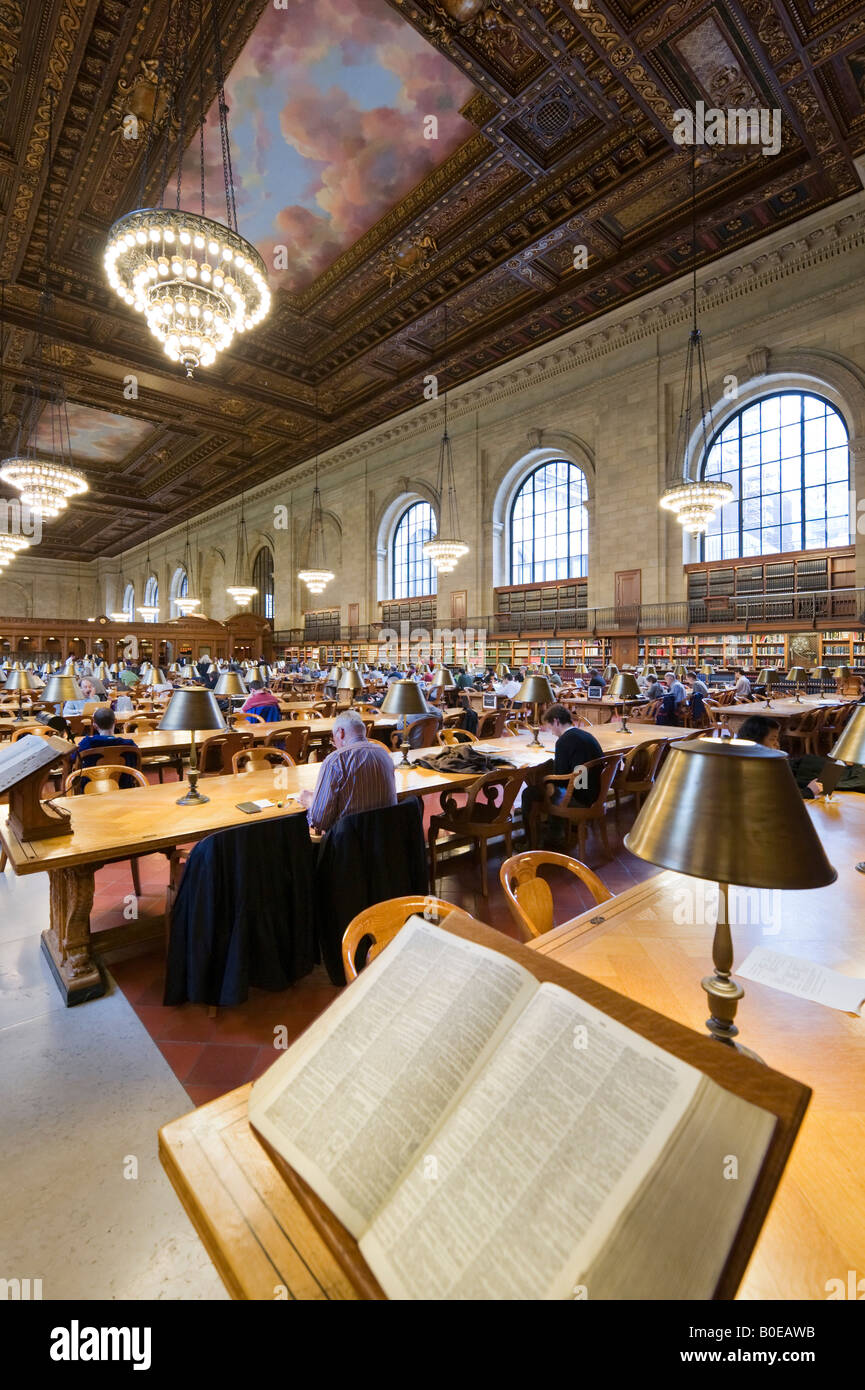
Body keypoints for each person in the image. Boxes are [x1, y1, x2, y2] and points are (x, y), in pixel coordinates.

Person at [298, 709, 397, 834]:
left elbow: (320, 821)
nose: (335, 745)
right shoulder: (385, 754)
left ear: (341, 732)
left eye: (334, 739)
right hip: (382, 839)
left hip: (348, 844)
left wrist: (311, 802)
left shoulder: (335, 760)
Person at [519, 703, 604, 844]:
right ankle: (555, 830)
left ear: (556, 721)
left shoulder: (564, 741)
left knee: (530, 792)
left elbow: (560, 778)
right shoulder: (586, 735)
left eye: (551, 727)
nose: (552, 732)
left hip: (579, 799)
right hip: (595, 794)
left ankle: (531, 841)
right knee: (553, 788)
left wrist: (544, 779)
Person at [737, 714, 823, 798]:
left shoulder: (767, 763)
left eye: (777, 739)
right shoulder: (750, 767)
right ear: (755, 741)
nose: (777, 744)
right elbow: (773, 796)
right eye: (772, 739)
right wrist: (809, 792)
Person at [75, 706, 139, 789]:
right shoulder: (129, 744)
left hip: (92, 787)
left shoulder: (87, 743)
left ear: (94, 725)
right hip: (123, 786)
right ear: (115, 721)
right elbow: (136, 759)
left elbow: (73, 758)